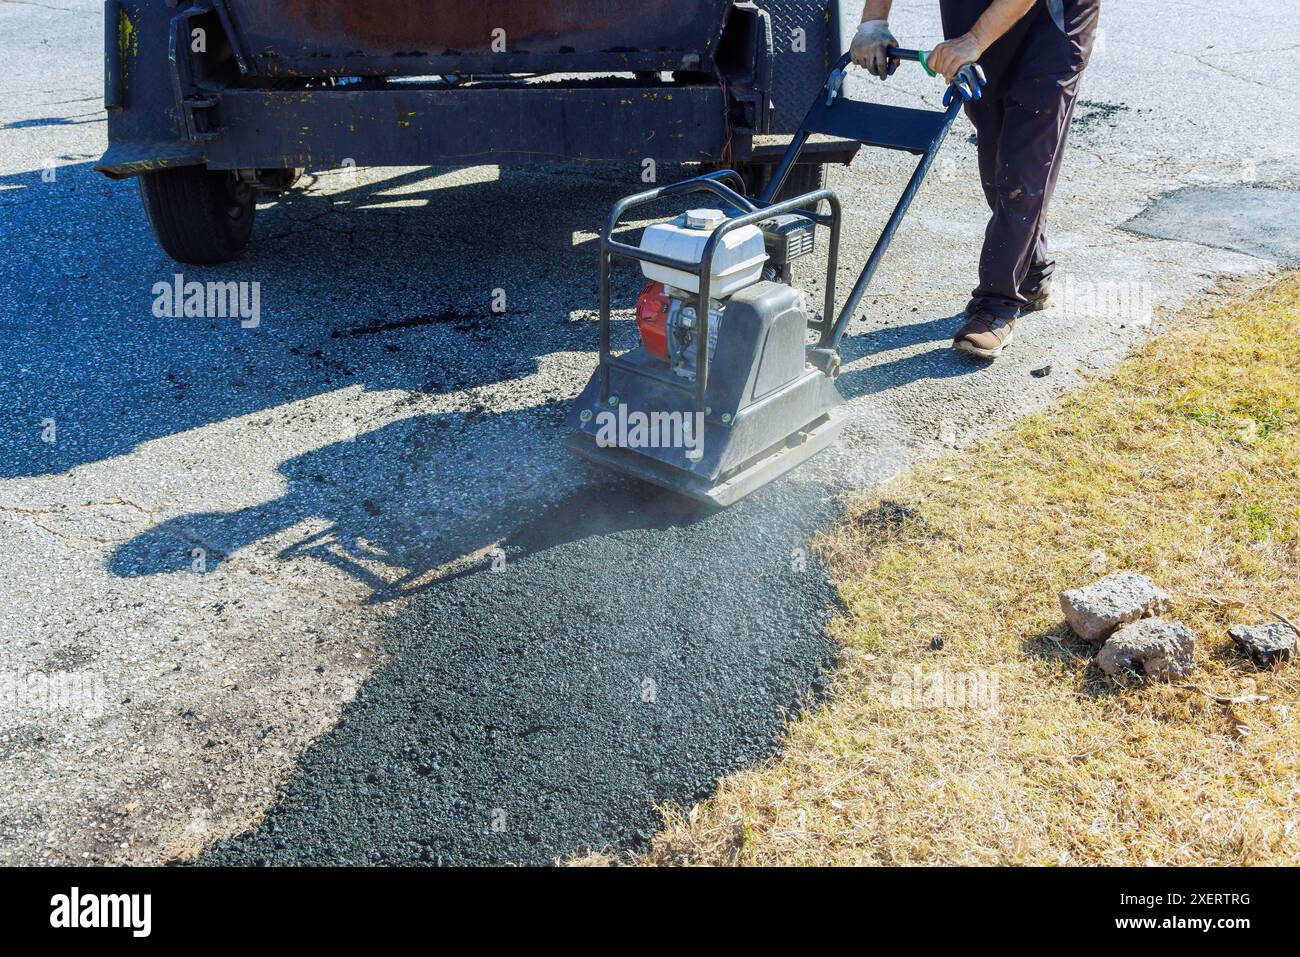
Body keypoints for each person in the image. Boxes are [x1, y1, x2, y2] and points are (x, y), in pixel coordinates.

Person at [852, 0, 1100, 358]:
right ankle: (1032, 273)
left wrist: (973, 41)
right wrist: (873, 22)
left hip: (1053, 24)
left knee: (1024, 166)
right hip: (973, 14)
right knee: (996, 160)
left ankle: (996, 306)